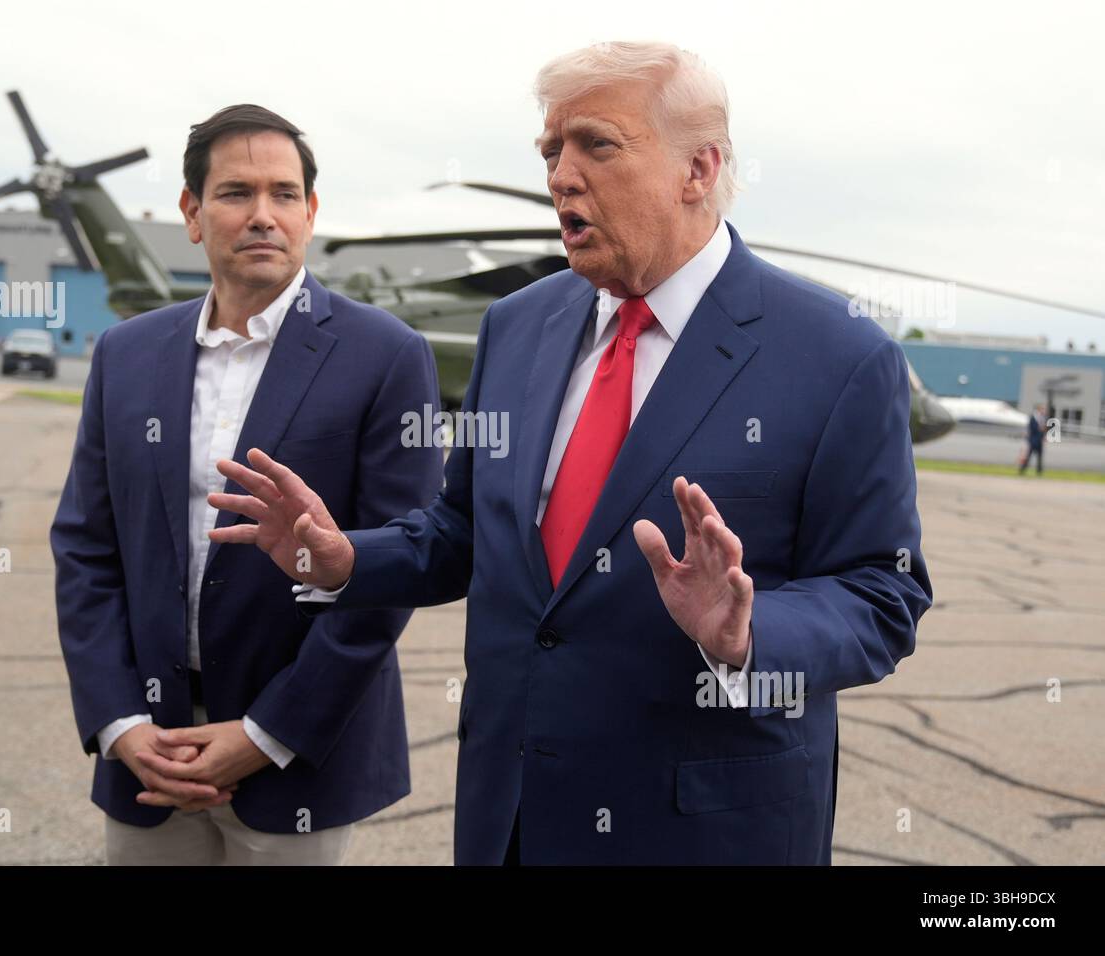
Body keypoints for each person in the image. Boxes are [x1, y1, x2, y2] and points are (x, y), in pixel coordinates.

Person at [210, 42, 932, 865]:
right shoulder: (516, 327)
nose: (560, 175)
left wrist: (749, 631)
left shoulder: (839, 355)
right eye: (552, 150)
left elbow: (883, 593)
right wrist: (343, 560)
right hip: (510, 817)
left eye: (596, 144)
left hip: (704, 829)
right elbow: (463, 532)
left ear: (698, 168)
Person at [50, 104, 443, 865]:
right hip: (148, 755)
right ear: (192, 215)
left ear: (311, 212)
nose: (263, 215)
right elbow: (85, 549)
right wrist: (121, 723)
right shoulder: (125, 354)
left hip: (299, 757)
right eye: (235, 194)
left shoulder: (387, 356)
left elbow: (395, 567)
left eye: (284, 194)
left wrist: (269, 734)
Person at [1019, 403, 1047, 474]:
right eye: (1042, 409)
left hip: (1039, 441)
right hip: (1033, 441)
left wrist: (1043, 436)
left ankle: (1039, 471)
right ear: (1038, 409)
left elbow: (1043, 429)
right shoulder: (1033, 418)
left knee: (1040, 457)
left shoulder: (1043, 418)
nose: (1044, 411)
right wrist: (1040, 429)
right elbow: (1031, 429)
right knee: (1029, 456)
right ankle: (1023, 470)